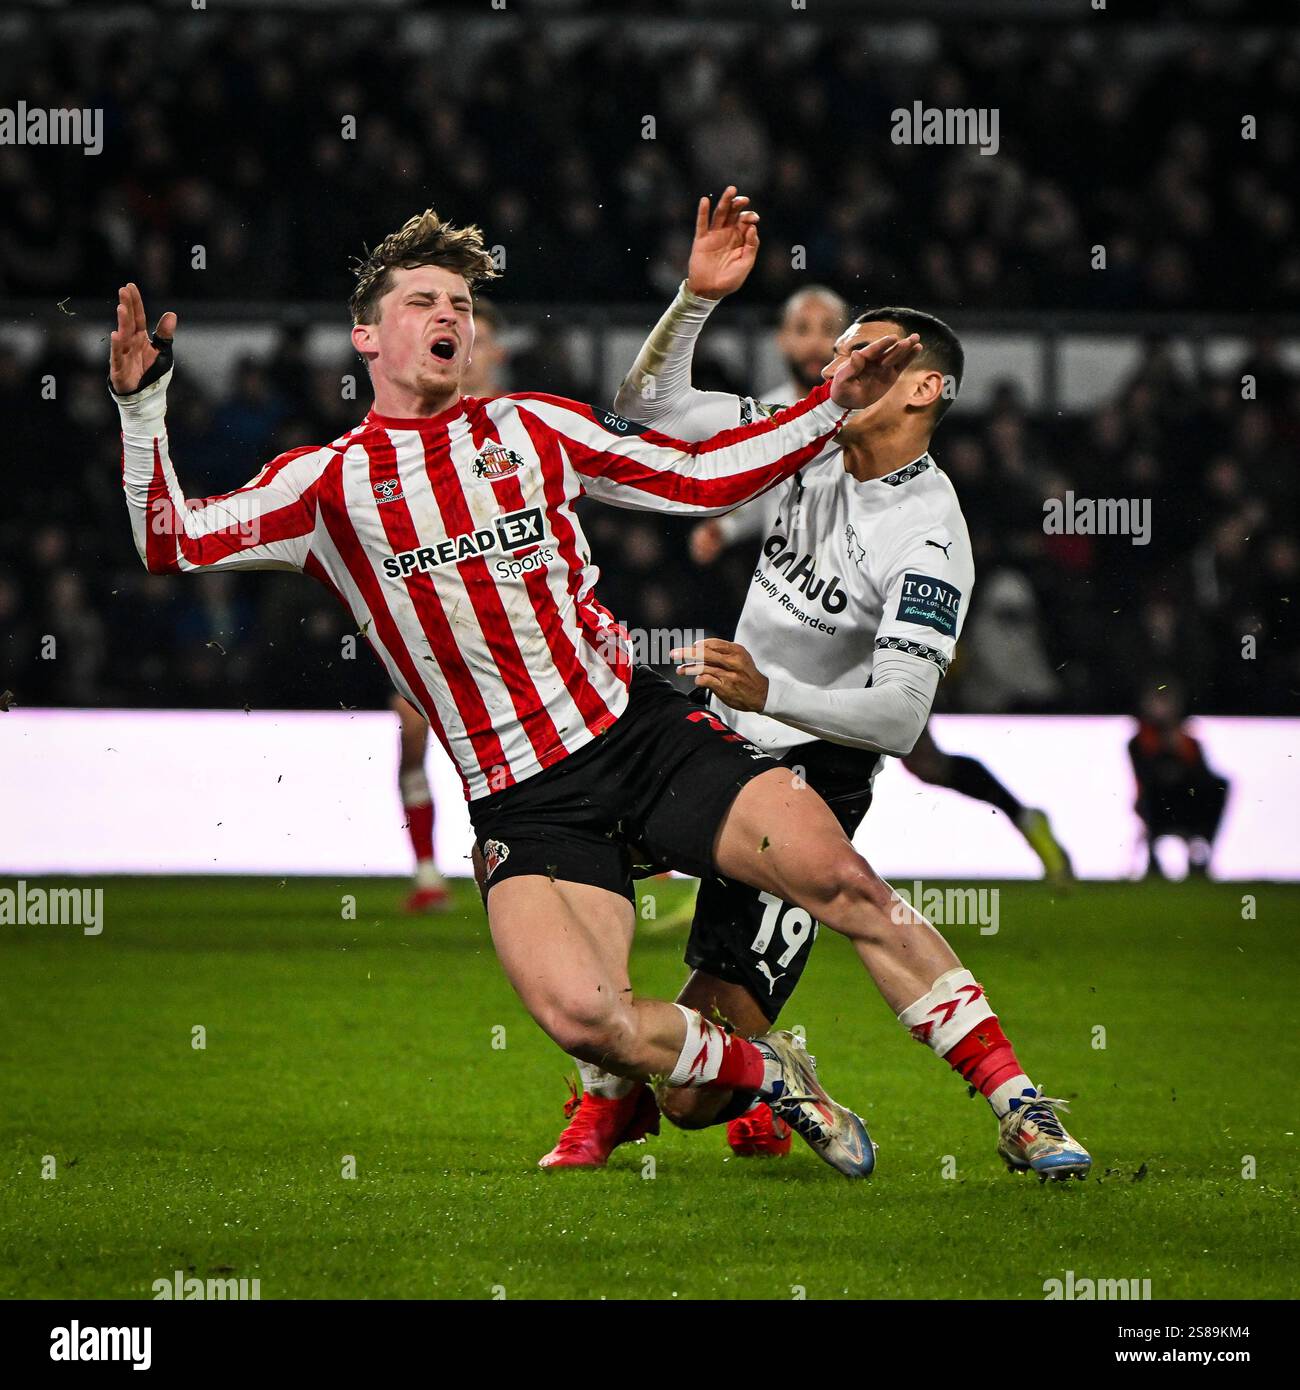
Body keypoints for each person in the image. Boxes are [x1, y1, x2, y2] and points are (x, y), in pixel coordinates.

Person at [107, 207, 927, 1177]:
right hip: (519, 797)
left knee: (819, 876)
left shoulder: (525, 427)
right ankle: (766, 1072)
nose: (446, 313)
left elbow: (703, 480)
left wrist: (831, 405)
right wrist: (142, 410)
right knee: (589, 1018)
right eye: (421, 300)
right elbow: (169, 538)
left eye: (460, 300)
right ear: (368, 334)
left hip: (627, 735)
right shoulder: (323, 486)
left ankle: (980, 1088)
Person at [537, 189, 1090, 1178]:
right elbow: (648, 406)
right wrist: (695, 299)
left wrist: (769, 692)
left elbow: (898, 715)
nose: (836, 371)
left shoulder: (928, 539)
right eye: (837, 356)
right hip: (705, 739)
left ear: (922, 389)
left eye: (866, 358)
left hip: (802, 763)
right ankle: (605, 1101)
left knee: (704, 1085)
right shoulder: (807, 440)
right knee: (562, 856)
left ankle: (1011, 1105)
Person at [690, 260, 1072, 884]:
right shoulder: (796, 416)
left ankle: (1023, 820)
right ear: (785, 342)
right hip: (786, 645)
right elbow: (668, 420)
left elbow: (895, 716)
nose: (820, 346)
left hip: (851, 665)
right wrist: (727, 527)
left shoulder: (909, 508)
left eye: (833, 332)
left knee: (922, 759)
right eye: (806, 330)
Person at [396, 298, 508, 914]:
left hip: (516, 621)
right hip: (433, 617)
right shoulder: (415, 426)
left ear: (496, 352)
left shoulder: (521, 425)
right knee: (412, 735)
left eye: (480, 338)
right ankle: (425, 871)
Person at [1128, 685, 1229, 878]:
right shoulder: (1139, 741)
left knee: (1219, 786)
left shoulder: (1189, 742)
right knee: (1155, 793)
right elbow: (1145, 774)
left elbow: (1203, 776)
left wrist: (1180, 751)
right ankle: (1153, 860)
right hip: (1155, 805)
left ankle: (1202, 850)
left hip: (1187, 804)